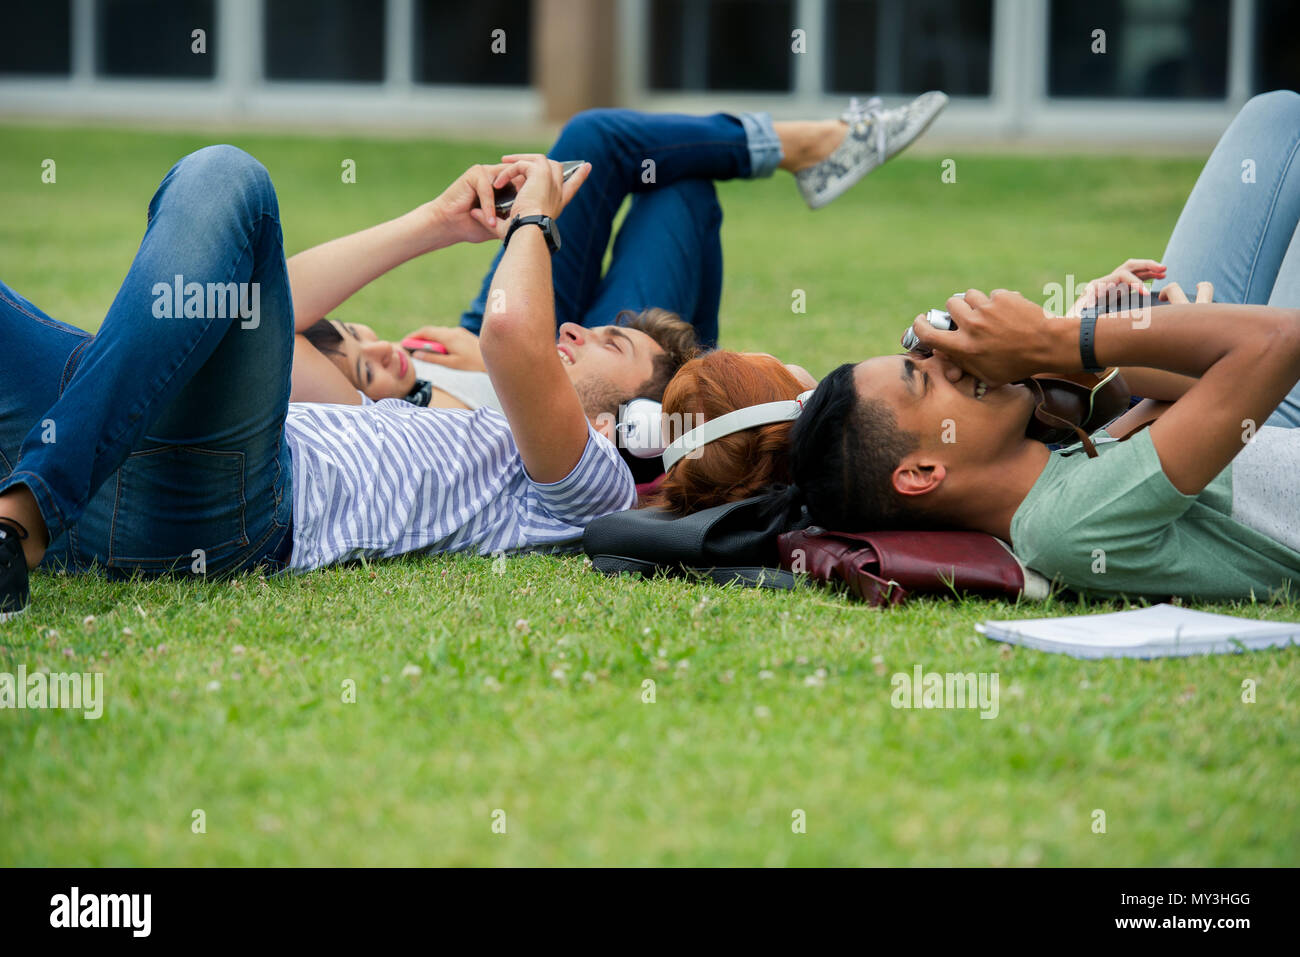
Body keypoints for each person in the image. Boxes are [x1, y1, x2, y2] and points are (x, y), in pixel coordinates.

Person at [658, 90, 1300, 601]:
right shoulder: (1064, 526)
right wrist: (1058, 340)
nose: (951, 359)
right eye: (924, 377)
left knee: (1274, 119)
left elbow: (1186, 392)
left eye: (927, 353)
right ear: (919, 474)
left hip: (1264, 407)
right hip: (1279, 388)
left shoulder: (1054, 474)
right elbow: (1279, 343)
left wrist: (1103, 330)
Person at [0, 146, 659, 620]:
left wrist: (535, 219)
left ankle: (23, 520)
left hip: (226, 501)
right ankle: (31, 506)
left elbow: (513, 332)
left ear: (628, 426)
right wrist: (440, 221)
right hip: (111, 457)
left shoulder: (599, 483)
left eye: (611, 342)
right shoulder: (444, 420)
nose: (576, 330)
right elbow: (271, 306)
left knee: (228, 177)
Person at [286, 95, 949, 410]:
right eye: (366, 372)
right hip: (545, 381)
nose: (383, 349)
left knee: (597, 139)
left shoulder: (407, 362)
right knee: (678, 195)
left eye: (360, 333)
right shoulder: (360, 429)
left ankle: (807, 148)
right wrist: (431, 222)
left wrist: (440, 358)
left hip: (492, 337)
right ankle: (814, 147)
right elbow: (264, 315)